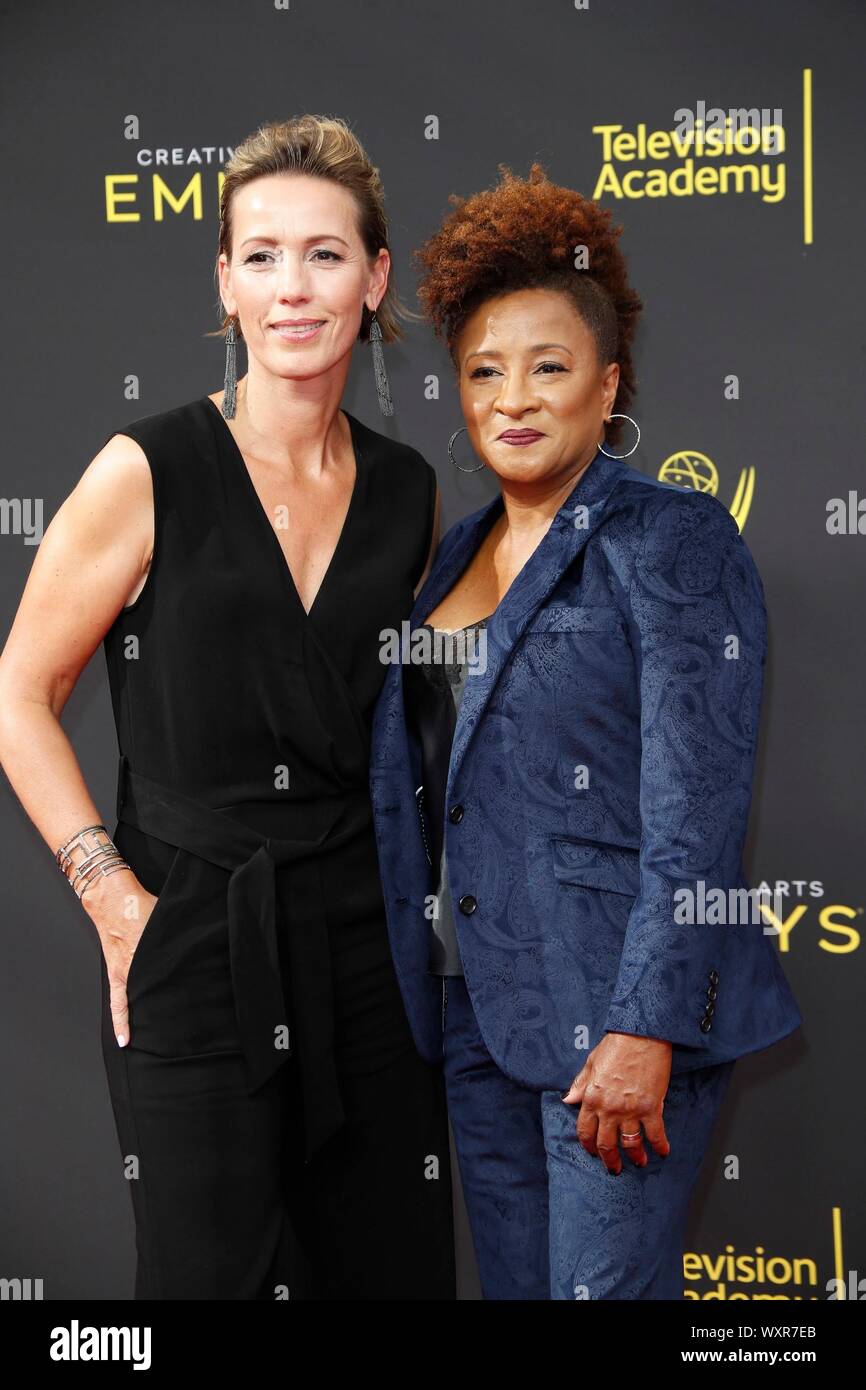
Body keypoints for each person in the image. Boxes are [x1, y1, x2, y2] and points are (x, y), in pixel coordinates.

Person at [0, 115, 456, 1300]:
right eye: (260, 255)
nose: (291, 287)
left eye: (322, 253)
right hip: (193, 938)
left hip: (368, 953)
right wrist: (112, 899)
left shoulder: (407, 490)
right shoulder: (145, 468)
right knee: (208, 1282)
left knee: (385, 1272)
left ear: (374, 278)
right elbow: (18, 693)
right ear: (224, 281)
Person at [369, 162, 803, 1300]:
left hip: (612, 1025)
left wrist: (642, 1029)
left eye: (547, 367)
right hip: (476, 1012)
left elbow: (695, 806)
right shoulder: (448, 557)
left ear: (607, 386)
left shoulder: (669, 538)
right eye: (482, 372)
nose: (512, 397)